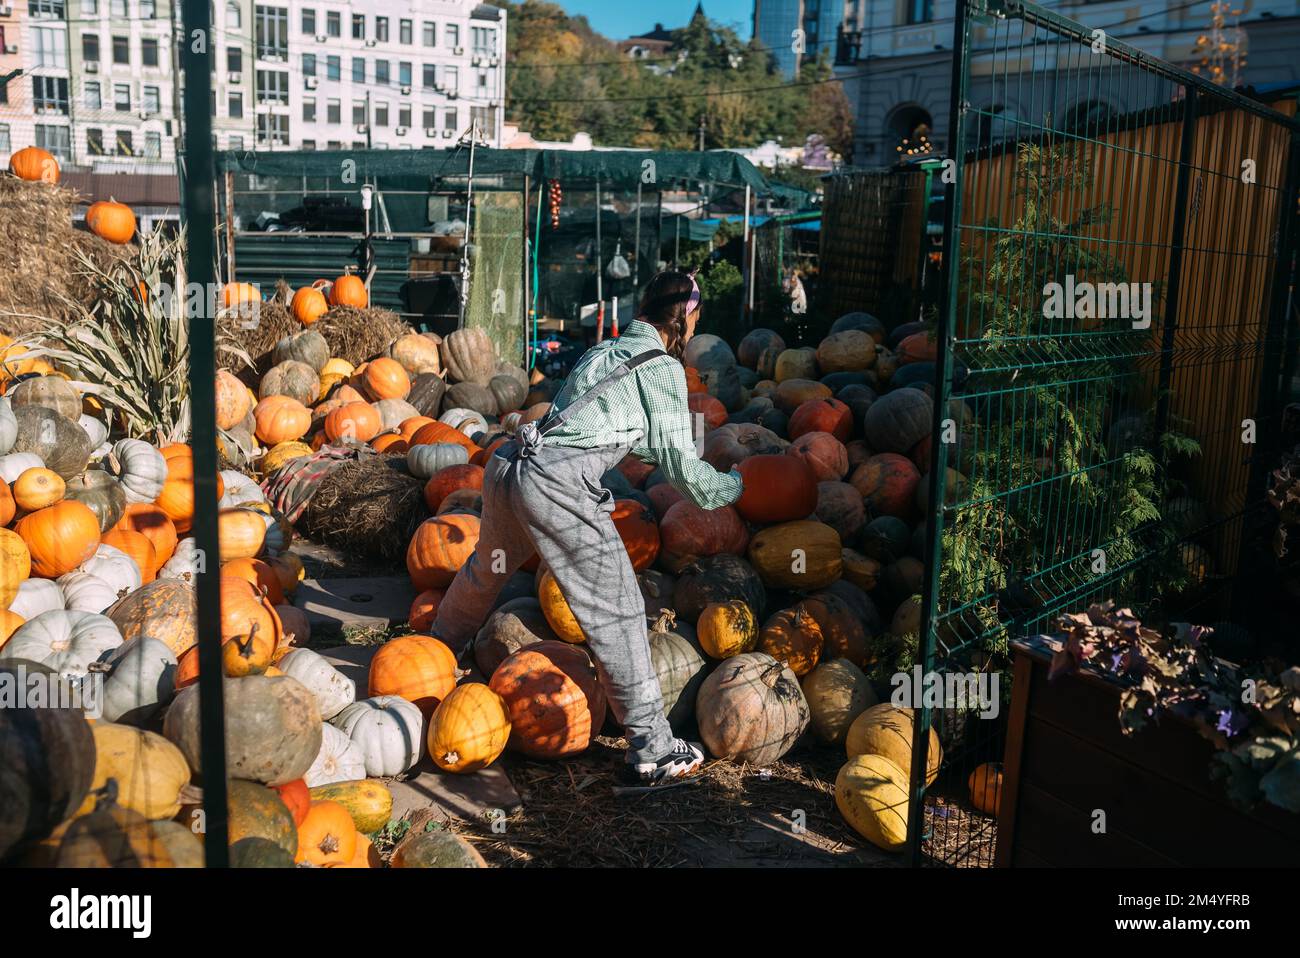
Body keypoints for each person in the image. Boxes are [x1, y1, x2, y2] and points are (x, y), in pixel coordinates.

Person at [433, 270, 744, 785]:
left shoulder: (608, 351)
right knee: (618, 608)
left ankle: (440, 648)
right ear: (685, 319)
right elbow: (684, 471)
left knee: (487, 567)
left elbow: (606, 423)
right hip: (556, 484)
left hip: (510, 465)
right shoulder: (662, 368)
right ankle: (653, 747)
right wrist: (732, 486)